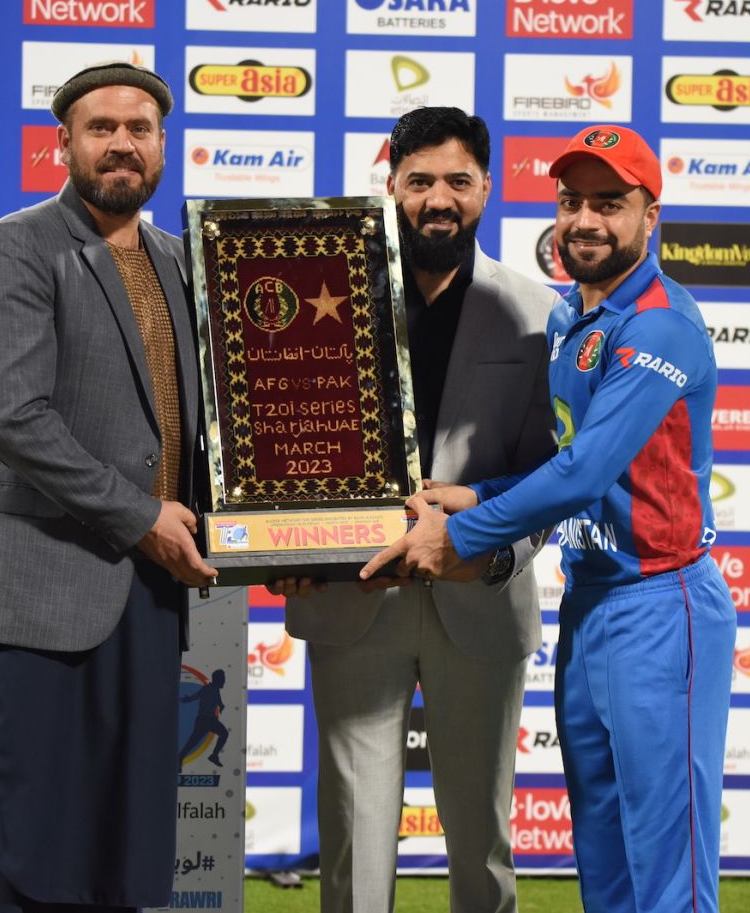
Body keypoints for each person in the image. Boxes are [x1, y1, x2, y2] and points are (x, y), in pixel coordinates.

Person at [363, 125, 737, 913]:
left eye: (611, 203)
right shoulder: (572, 317)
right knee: (602, 848)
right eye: (572, 203)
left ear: (650, 215)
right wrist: (480, 489)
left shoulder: (661, 323)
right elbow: (572, 459)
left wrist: (459, 534)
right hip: (593, 600)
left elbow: (586, 470)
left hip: (662, 603)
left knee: (668, 856)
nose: (586, 221)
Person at [0, 61, 218, 912]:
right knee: (32, 851)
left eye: (139, 129)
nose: (122, 144)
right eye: (101, 128)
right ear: (64, 145)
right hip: (36, 590)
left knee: (125, 850)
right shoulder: (18, 246)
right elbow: (14, 417)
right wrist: (142, 518)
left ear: (163, 145)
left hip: (148, 589)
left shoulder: (179, 259)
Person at [275, 106, 558, 913]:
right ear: (391, 184)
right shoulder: (321, 298)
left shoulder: (538, 310)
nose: (440, 198)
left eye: (458, 181)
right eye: (421, 180)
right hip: (352, 595)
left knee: (482, 841)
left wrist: (487, 546)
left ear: (487, 189)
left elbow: (555, 473)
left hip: (482, 597)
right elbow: (287, 440)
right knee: (355, 843)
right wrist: (284, 536)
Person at [179, 668, 229, 770]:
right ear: (217, 680)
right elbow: (195, 696)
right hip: (204, 720)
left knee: (223, 733)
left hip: (210, 720)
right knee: (192, 742)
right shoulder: (207, 689)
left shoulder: (216, 689)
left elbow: (218, 700)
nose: (224, 681)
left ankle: (214, 755)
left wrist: (221, 705)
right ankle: (179, 758)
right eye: (222, 679)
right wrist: (186, 699)